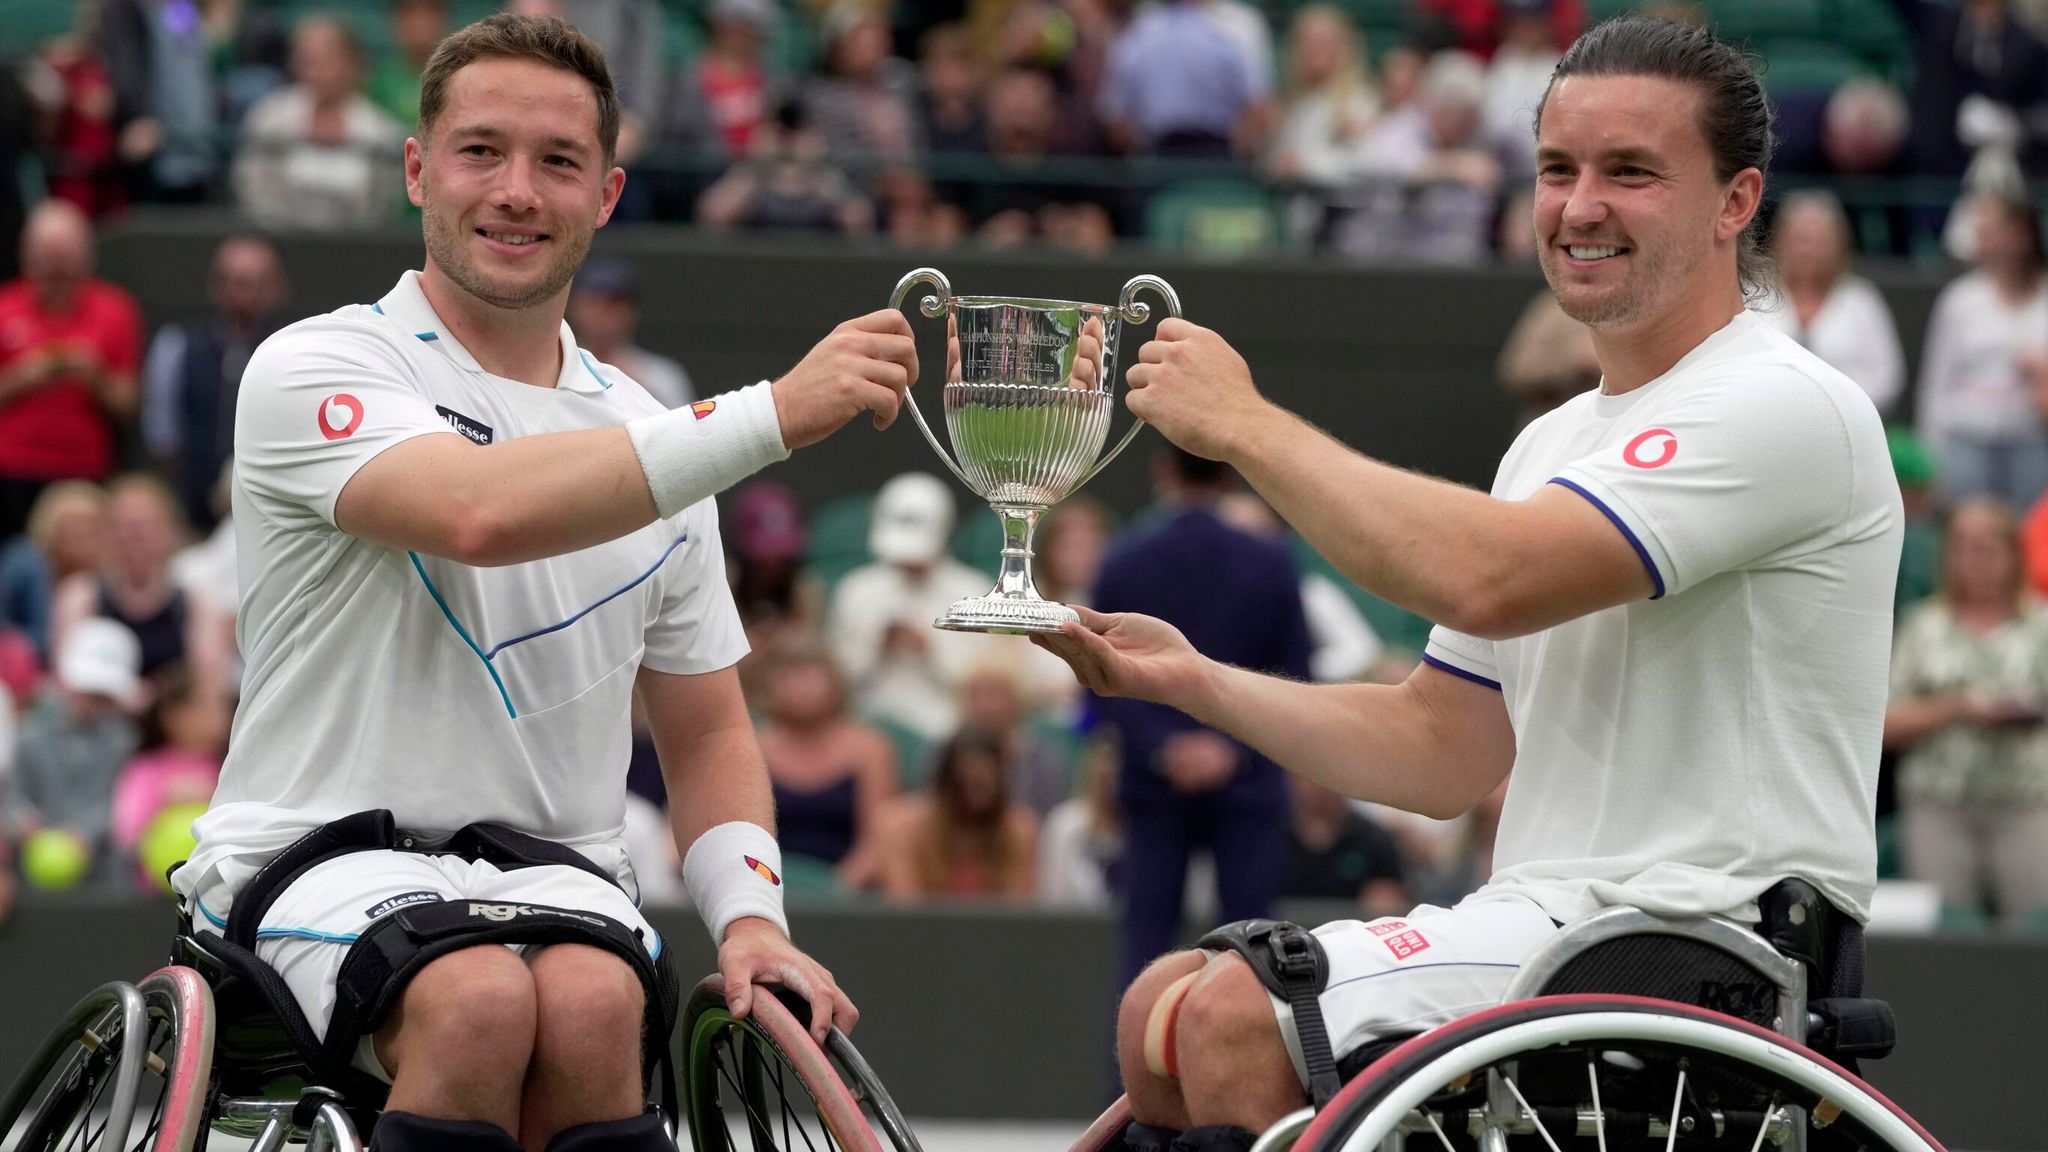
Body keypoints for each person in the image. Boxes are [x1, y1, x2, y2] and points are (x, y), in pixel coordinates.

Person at [1031, 17, 1901, 1148]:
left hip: (1703, 949)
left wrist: (1244, 428)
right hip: (1552, 931)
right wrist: (1194, 682)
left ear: (1735, 202)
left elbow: (1484, 576)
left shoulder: (1784, 403)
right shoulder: (1546, 448)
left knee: (1229, 1021)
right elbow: (1440, 748)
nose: (1578, 206)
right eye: (1555, 170)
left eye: (1628, 172)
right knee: (1157, 1012)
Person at [167, 15, 917, 1152]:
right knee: (477, 999)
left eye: (557, 162)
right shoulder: (318, 363)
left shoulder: (660, 441)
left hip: (551, 877)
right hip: (310, 856)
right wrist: (769, 416)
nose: (516, 190)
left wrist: (752, 923)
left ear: (606, 194)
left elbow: (707, 728)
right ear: (418, 170)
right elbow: (475, 511)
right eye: (480, 152)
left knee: (593, 1005)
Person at [1089, 447, 1313, 997]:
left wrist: (1164, 748)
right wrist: (1230, 748)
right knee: (1255, 961)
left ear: (1162, 471)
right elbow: (1296, 675)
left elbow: (1097, 673)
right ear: (1229, 475)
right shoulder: (1271, 560)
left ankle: (1132, 1084)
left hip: (1155, 781)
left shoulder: (1122, 559)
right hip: (1248, 776)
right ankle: (1253, 1084)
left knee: (1145, 956)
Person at [1885, 498, 2048, 928]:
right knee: (1947, 936)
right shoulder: (1923, 625)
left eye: (1992, 545)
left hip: (2028, 805)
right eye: (1966, 545)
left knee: (2031, 937)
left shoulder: (2041, 624)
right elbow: (1886, 724)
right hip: (1938, 807)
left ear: (2015, 552)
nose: (1979, 559)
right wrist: (1959, 707)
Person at [0, 201, 142, 541]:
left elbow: (128, 403)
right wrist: (22, 377)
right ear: (27, 256)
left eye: (65, 261)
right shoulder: (4, 306)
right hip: (10, 470)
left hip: (85, 471)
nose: (57, 274)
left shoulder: (115, 310)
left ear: (85, 257)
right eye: (48, 260)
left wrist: (95, 377)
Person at [142, 234, 291, 532]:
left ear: (277, 288)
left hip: (273, 519)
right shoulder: (177, 346)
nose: (245, 295)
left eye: (257, 283)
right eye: (235, 282)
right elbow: (163, 439)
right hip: (192, 515)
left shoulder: (296, 351)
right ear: (216, 286)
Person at [1914, 193, 2048, 510]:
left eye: (1994, 230)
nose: (1983, 240)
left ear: (2023, 233)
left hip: (2031, 439)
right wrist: (1930, 451)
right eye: (1981, 231)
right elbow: (1936, 381)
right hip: (1968, 442)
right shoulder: (1959, 300)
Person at [233, 16, 408, 232]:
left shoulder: (380, 130)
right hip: (279, 241)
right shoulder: (268, 118)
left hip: (358, 247)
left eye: (326, 60)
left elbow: (384, 202)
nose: (316, 71)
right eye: (308, 60)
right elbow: (253, 187)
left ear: (352, 63)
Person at [1755, 191, 1905, 419]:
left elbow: (1887, 376)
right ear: (1780, 240)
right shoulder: (1755, 294)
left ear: (1838, 244)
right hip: (1767, 419)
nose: (1808, 250)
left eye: (1819, 241)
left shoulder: (1861, 300)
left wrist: (1839, 403)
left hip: (1847, 422)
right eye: (1800, 239)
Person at [876, 731, 1039, 902]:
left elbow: (1016, 915)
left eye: (986, 784)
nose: (978, 795)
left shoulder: (1018, 832)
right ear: (946, 782)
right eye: (970, 783)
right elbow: (906, 913)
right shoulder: (903, 831)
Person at [565, 258, 693, 409]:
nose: (606, 312)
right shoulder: (554, 372)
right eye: (595, 302)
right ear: (573, 306)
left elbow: (682, 429)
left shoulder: (661, 377)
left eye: (616, 302)